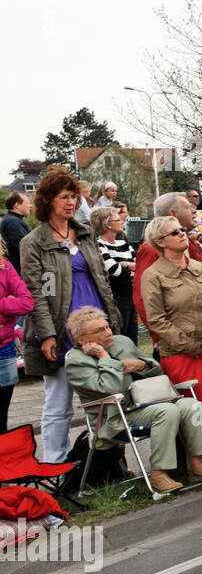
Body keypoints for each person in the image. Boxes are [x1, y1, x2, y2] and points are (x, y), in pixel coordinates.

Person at [20, 170, 120, 462]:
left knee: (105, 398)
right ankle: (55, 462)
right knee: (59, 402)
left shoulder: (86, 233)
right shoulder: (33, 242)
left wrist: (111, 321)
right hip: (61, 329)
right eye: (64, 196)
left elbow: (102, 279)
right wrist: (48, 333)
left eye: (74, 196)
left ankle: (105, 463)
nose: (71, 202)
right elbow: (36, 292)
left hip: (96, 323)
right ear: (48, 200)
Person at [64, 306, 202, 496]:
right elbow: (110, 389)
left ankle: (197, 464)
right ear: (81, 339)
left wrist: (142, 365)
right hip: (115, 415)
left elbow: (157, 371)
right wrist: (104, 357)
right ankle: (158, 474)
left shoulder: (122, 342)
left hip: (147, 402)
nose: (108, 332)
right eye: (100, 330)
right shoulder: (77, 362)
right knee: (167, 411)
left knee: (192, 405)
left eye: (108, 327)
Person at [141, 215, 202, 427]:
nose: (183, 233)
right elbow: (157, 320)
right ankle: (190, 461)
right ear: (160, 242)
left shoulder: (200, 268)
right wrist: (190, 345)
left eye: (182, 229)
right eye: (175, 232)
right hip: (180, 356)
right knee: (190, 420)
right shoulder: (153, 275)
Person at [133, 192, 202, 341]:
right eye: (188, 207)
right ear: (173, 213)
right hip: (173, 343)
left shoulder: (191, 246)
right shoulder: (152, 249)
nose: (194, 211)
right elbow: (143, 298)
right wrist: (161, 338)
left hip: (201, 337)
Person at [0, 237, 33, 432]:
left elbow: (27, 302)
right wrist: (7, 301)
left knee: (2, 418)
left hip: (4, 351)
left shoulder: (5, 267)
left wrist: (2, 303)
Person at [92, 206, 136, 344]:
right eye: (118, 219)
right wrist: (128, 266)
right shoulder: (99, 245)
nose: (122, 221)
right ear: (107, 224)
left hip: (132, 296)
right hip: (117, 298)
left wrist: (123, 264)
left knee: (133, 337)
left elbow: (139, 265)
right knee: (120, 337)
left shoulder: (124, 243)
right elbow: (113, 270)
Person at [2, 192, 31, 275]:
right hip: (18, 272)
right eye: (27, 203)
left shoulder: (12, 220)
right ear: (17, 205)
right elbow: (24, 246)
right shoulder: (13, 222)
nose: (30, 206)